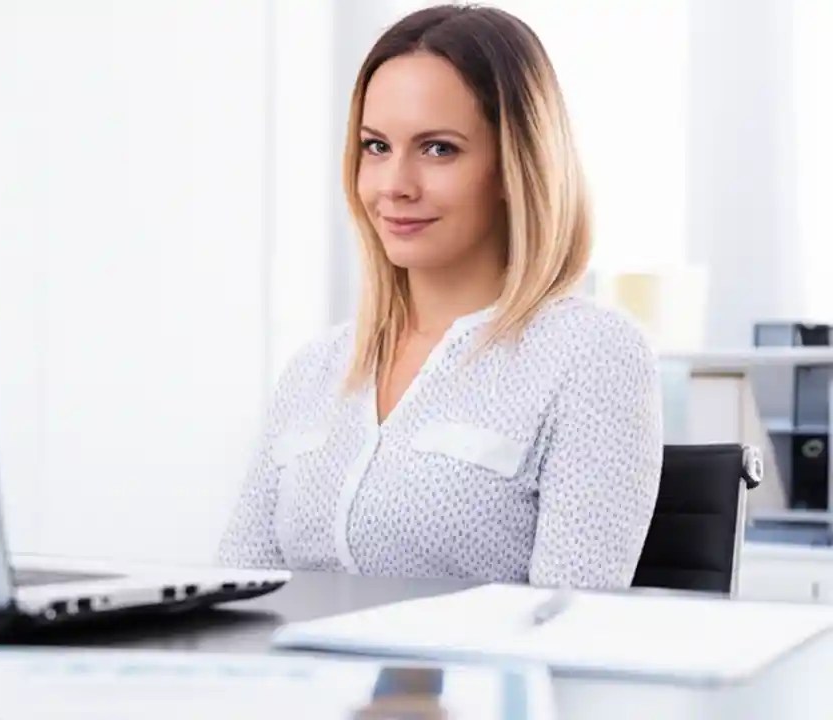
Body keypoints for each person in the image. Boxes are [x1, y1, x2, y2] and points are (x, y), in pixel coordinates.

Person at [217, 3, 662, 589]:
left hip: (477, 680)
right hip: (304, 679)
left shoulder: (589, 356)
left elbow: (567, 626)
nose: (395, 186)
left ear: (515, 166)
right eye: (376, 146)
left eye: (438, 149)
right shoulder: (313, 372)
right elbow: (238, 592)